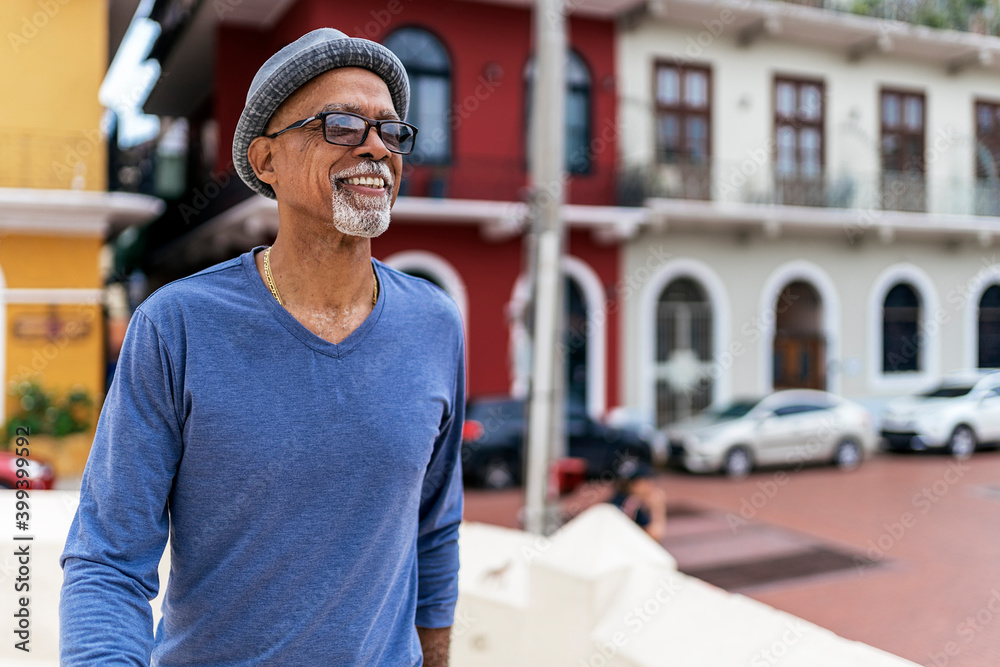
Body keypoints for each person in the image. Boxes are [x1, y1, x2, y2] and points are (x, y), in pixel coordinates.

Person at [60, 28, 465, 667]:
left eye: (391, 131)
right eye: (341, 125)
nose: (375, 149)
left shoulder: (436, 324)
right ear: (267, 160)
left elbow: (434, 531)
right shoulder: (176, 326)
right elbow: (109, 559)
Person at [607, 462, 667, 542]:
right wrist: (658, 507)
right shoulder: (630, 504)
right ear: (634, 484)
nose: (651, 484)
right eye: (647, 480)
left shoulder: (617, 499)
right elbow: (654, 535)